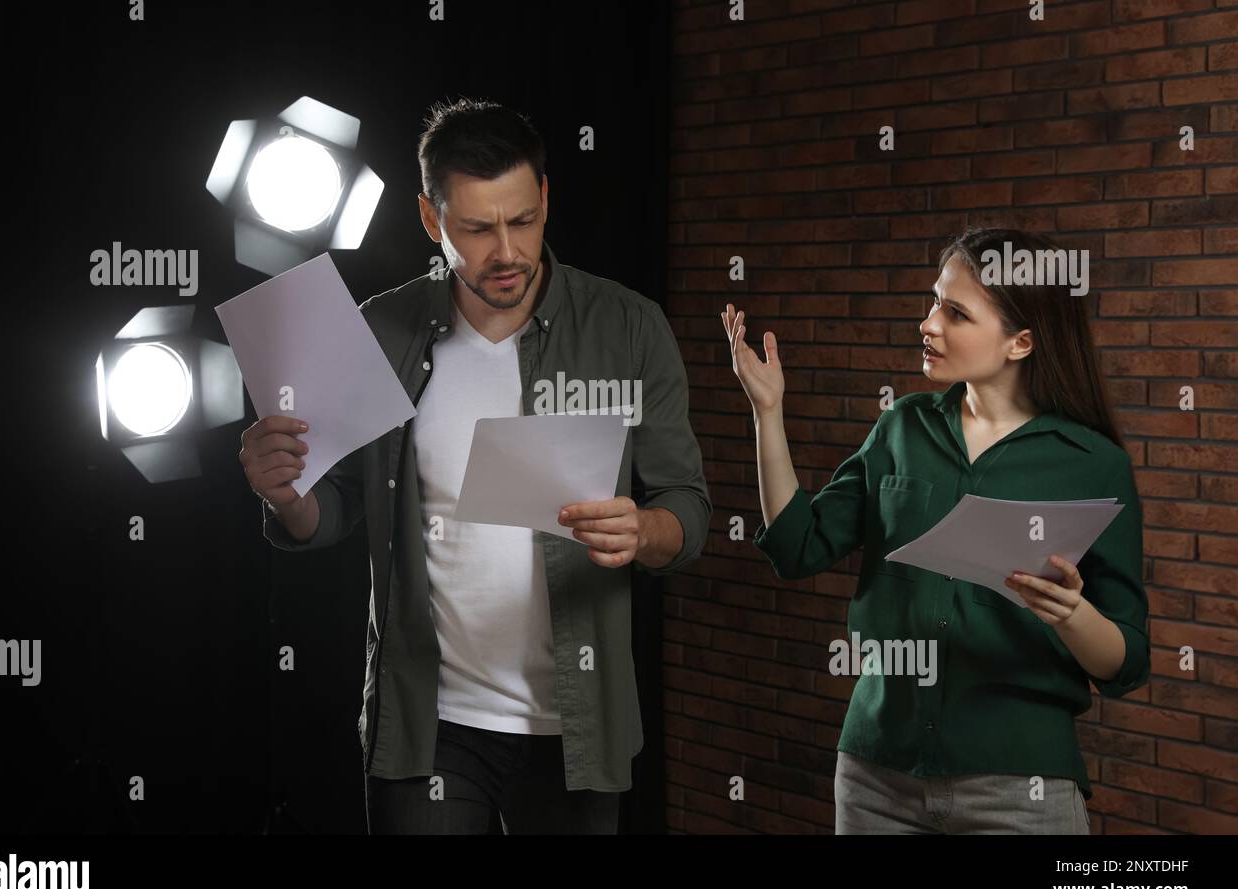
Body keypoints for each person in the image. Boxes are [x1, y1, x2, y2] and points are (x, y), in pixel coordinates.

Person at [240, 97, 711, 834]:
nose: (507, 252)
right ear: (432, 220)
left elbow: (688, 506)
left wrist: (645, 531)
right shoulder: (379, 329)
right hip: (431, 724)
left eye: (522, 220)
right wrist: (285, 493)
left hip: (576, 725)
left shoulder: (629, 327)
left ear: (547, 198)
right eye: (477, 228)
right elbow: (332, 509)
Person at [722, 227, 1149, 834]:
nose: (929, 323)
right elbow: (797, 546)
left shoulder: (1093, 464)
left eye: (955, 312)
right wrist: (768, 412)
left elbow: (1127, 663)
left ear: (1020, 342)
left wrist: (1071, 613)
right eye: (932, 301)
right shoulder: (902, 427)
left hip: (1018, 787)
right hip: (876, 776)